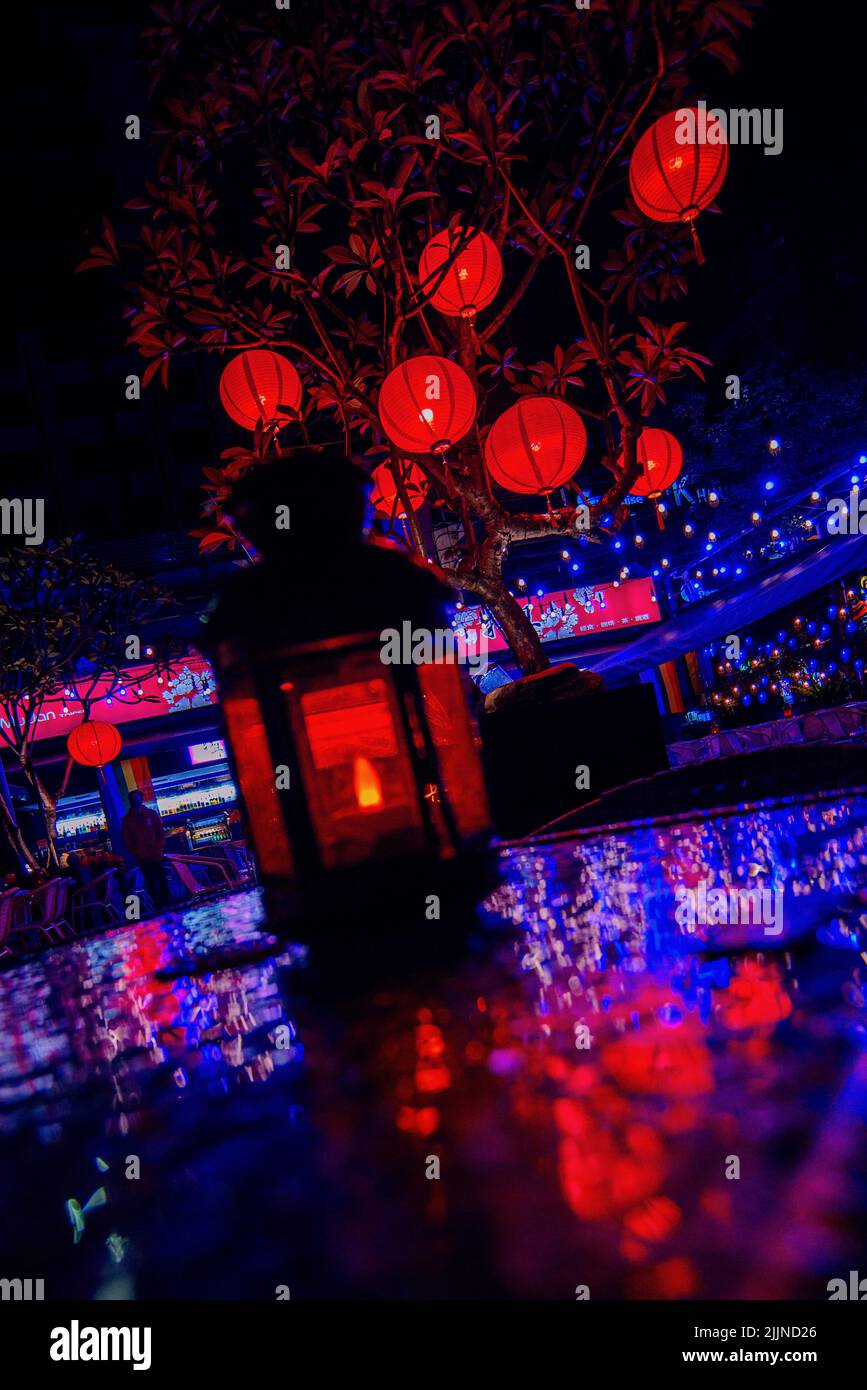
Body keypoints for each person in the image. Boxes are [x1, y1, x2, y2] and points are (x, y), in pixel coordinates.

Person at [122, 790, 171, 910]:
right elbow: (127, 840)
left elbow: (160, 833)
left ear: (141, 799)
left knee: (160, 878)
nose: (135, 800)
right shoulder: (128, 820)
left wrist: (158, 849)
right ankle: (159, 904)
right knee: (151, 880)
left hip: (155, 854)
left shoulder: (151, 814)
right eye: (133, 799)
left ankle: (167, 901)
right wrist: (138, 852)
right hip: (143, 857)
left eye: (137, 798)